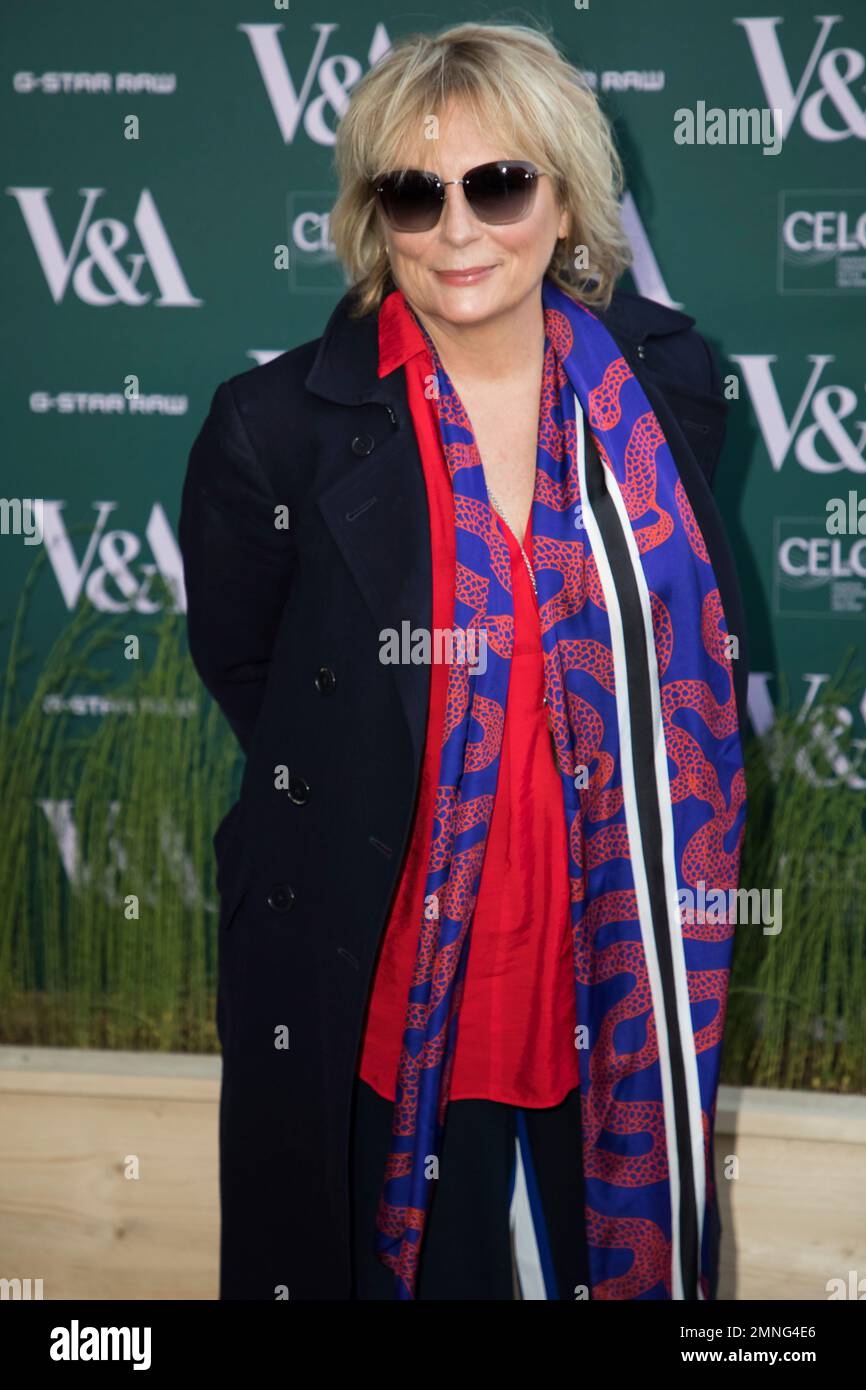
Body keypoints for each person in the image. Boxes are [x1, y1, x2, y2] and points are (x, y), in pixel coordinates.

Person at [179, 20, 749, 1302]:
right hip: (389, 956)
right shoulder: (276, 429)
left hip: (613, 948)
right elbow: (254, 674)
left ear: (565, 202)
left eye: (496, 185)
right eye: (412, 191)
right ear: (372, 214)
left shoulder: (667, 390)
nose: (456, 229)